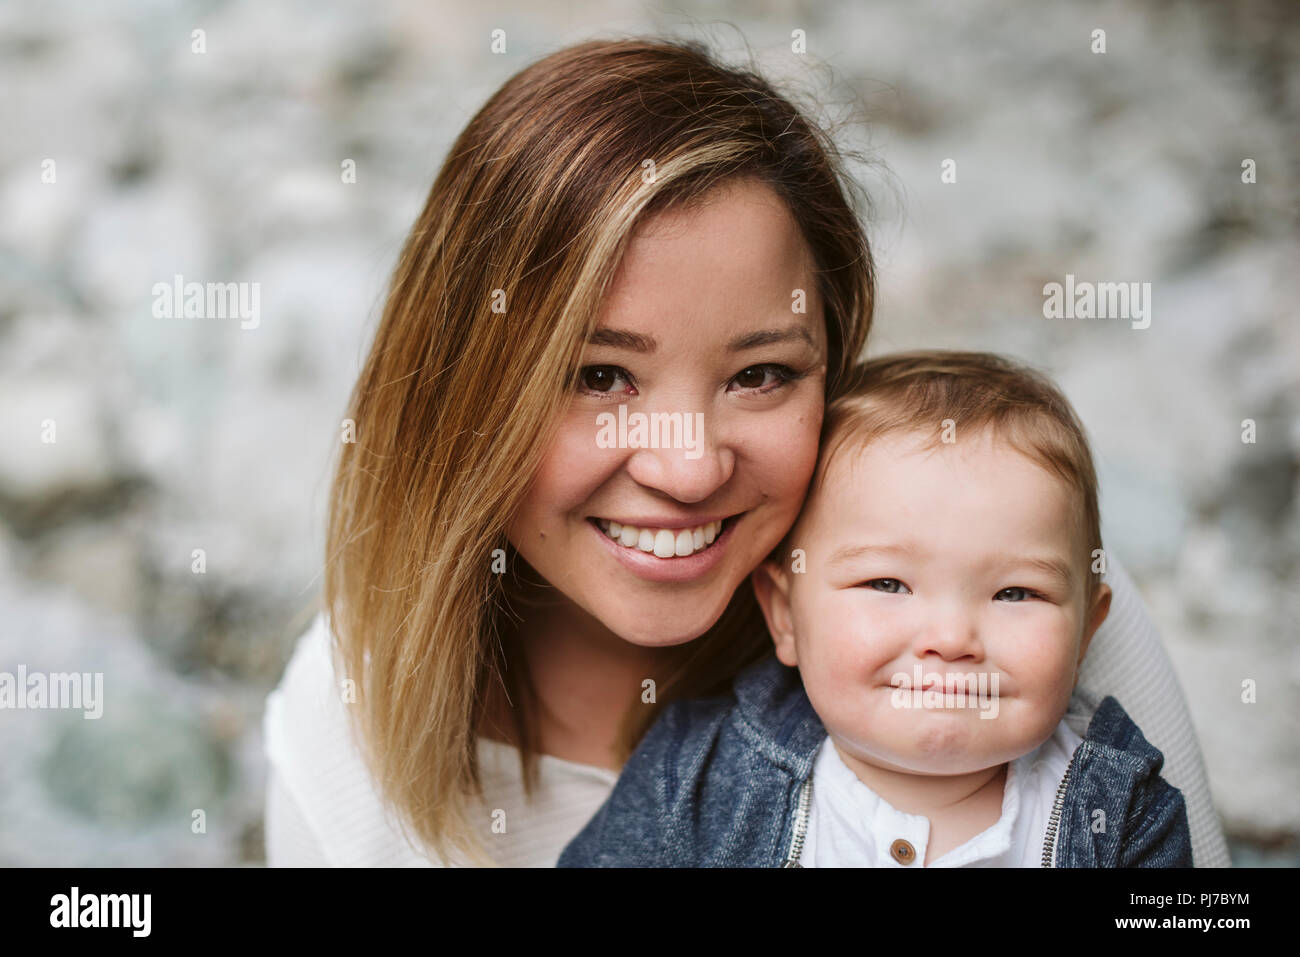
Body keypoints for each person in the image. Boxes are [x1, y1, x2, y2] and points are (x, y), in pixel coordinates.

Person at [262, 38, 1228, 868]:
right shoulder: (344, 740)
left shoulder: (1012, 589)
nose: (689, 471)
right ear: (463, 388)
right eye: (599, 377)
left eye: (760, 374)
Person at [559, 351, 1193, 866]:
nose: (950, 638)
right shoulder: (698, 778)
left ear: (1086, 635)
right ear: (784, 616)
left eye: (1014, 594)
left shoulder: (1124, 813)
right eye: (887, 584)